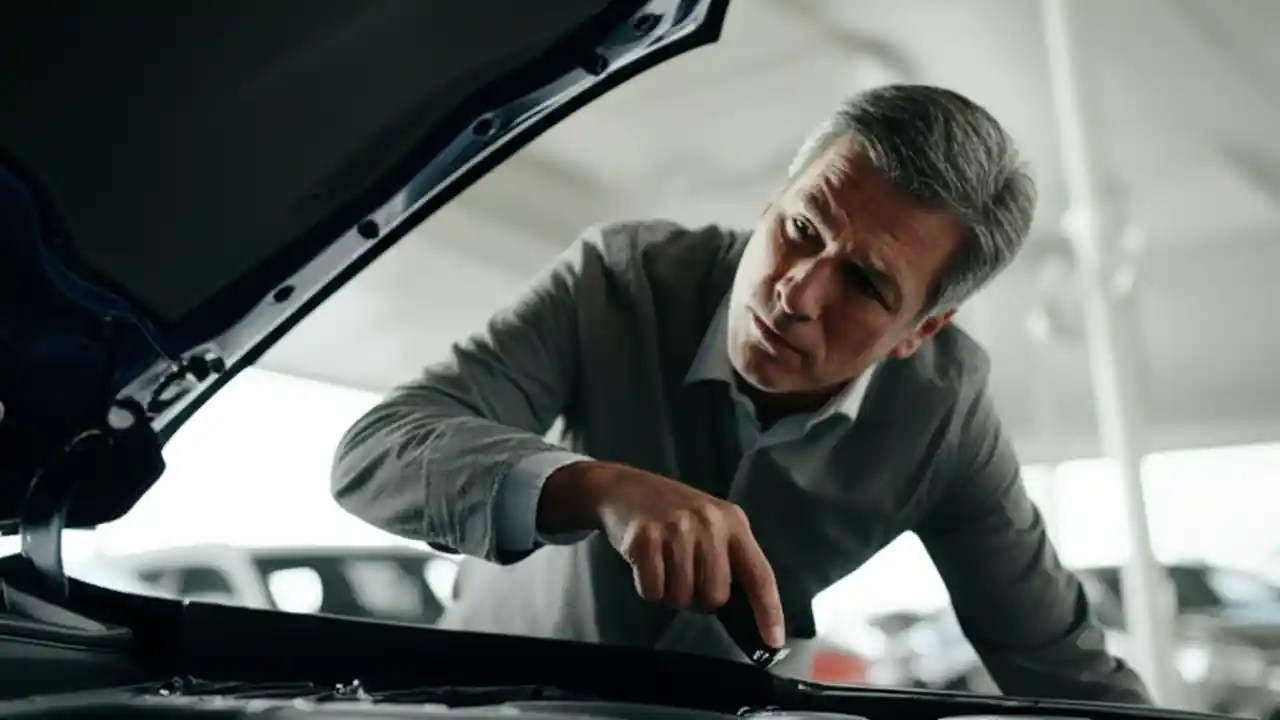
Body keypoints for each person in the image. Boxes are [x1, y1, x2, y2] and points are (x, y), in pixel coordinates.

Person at [331, 84, 1149, 704]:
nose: (797, 293)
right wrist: (594, 486)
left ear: (920, 332)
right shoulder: (617, 281)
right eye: (801, 228)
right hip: (482, 706)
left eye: (864, 282)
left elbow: (1057, 663)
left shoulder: (948, 418)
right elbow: (374, 453)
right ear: (771, 204)